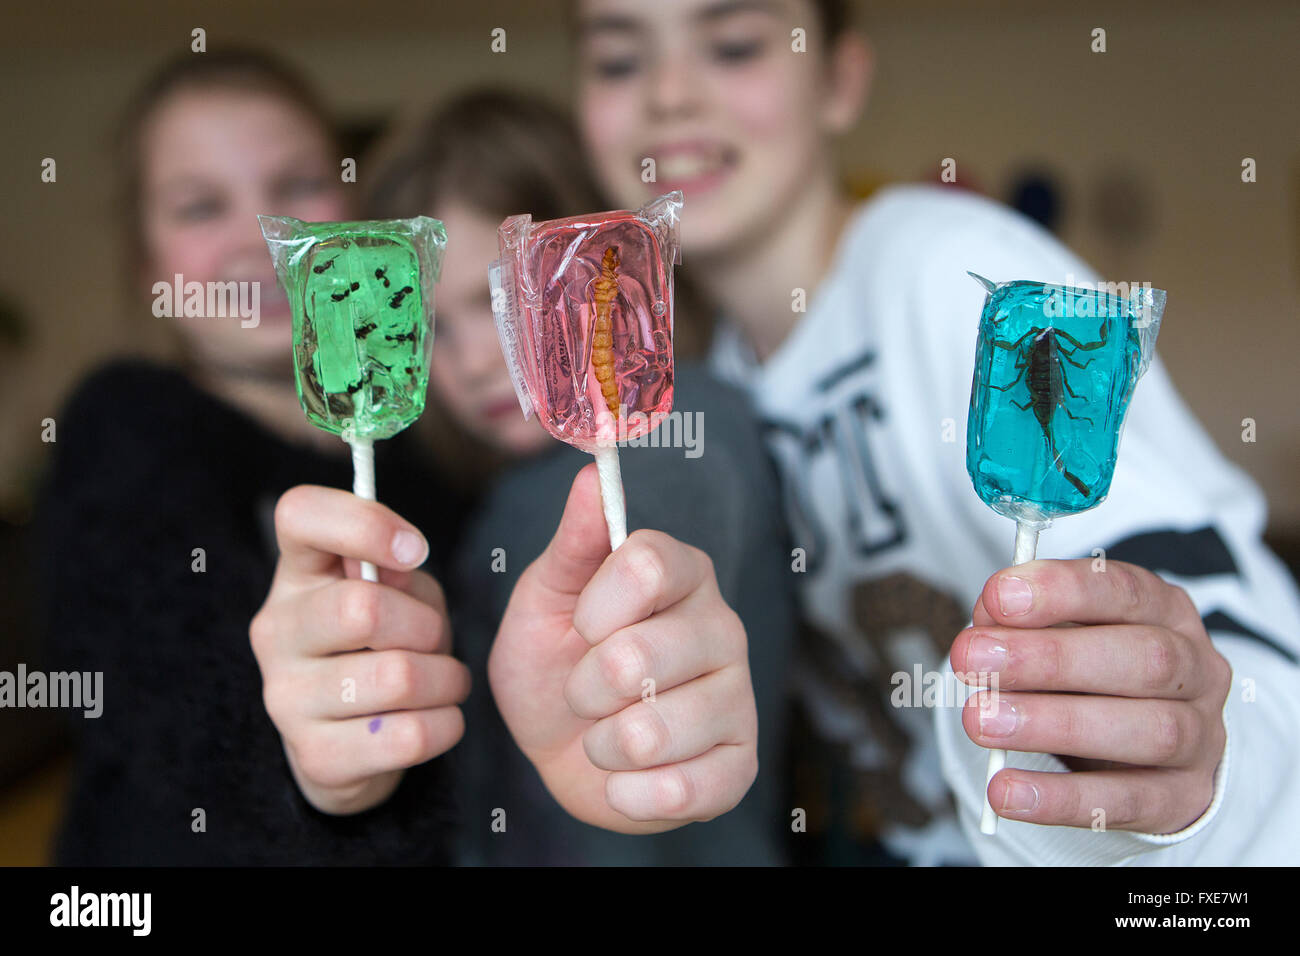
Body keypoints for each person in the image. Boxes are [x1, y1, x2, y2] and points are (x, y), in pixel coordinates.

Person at [569, 0, 1300, 865]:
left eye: (733, 45)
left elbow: (1228, 635)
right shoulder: (705, 382)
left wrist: (1202, 772)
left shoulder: (953, 277)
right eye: (619, 60)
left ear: (840, 81)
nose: (670, 94)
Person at [36, 49, 465, 864]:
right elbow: (159, 685)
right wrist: (310, 771)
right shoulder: (127, 423)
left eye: (297, 186)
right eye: (201, 207)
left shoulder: (426, 448)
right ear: (147, 267)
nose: (264, 235)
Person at [359, 90, 797, 863]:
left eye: (496, 305)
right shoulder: (510, 485)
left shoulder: (666, 446)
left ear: (598, 272)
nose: (470, 362)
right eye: (431, 327)